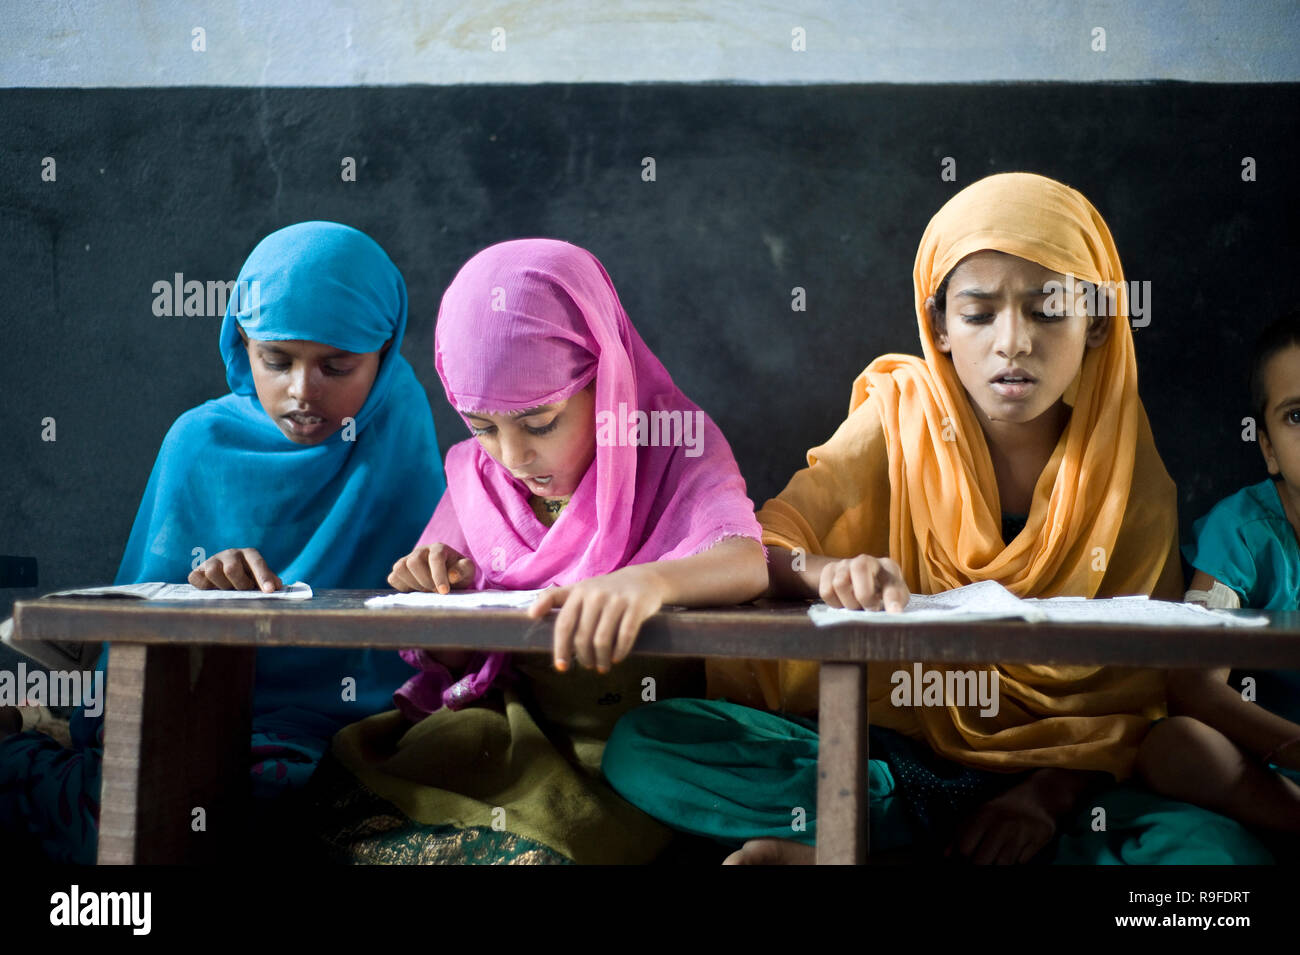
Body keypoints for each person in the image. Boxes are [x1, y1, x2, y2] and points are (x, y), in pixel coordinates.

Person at [601, 172, 1272, 865]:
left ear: (1097, 323)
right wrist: (828, 571)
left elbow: (1138, 695)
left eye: (1047, 312)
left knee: (1215, 859)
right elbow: (766, 542)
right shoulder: (897, 419)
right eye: (980, 314)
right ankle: (900, 824)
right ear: (941, 326)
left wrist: (1041, 799)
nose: (1013, 342)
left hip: (1053, 779)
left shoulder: (1130, 479)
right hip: (891, 757)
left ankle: (855, 844)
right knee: (645, 745)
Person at [299, 237, 768, 864]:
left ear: (607, 379)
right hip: (507, 728)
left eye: (541, 423)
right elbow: (454, 660)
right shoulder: (477, 477)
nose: (514, 459)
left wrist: (646, 583)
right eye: (482, 427)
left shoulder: (673, 444)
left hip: (633, 744)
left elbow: (744, 560)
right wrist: (435, 587)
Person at [0, 221, 445, 863]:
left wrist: (437, 574)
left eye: (337, 366)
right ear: (242, 343)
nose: (301, 391)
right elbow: (134, 633)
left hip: (360, 726)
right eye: (277, 360)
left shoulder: (397, 432)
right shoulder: (201, 443)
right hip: (207, 717)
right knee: (137, 816)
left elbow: (425, 607)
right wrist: (199, 586)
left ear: (384, 352)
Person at [1136, 311, 1300, 839]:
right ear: (1269, 448)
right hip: (1272, 756)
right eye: (1297, 416)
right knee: (1176, 744)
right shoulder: (1245, 532)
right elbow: (1193, 685)